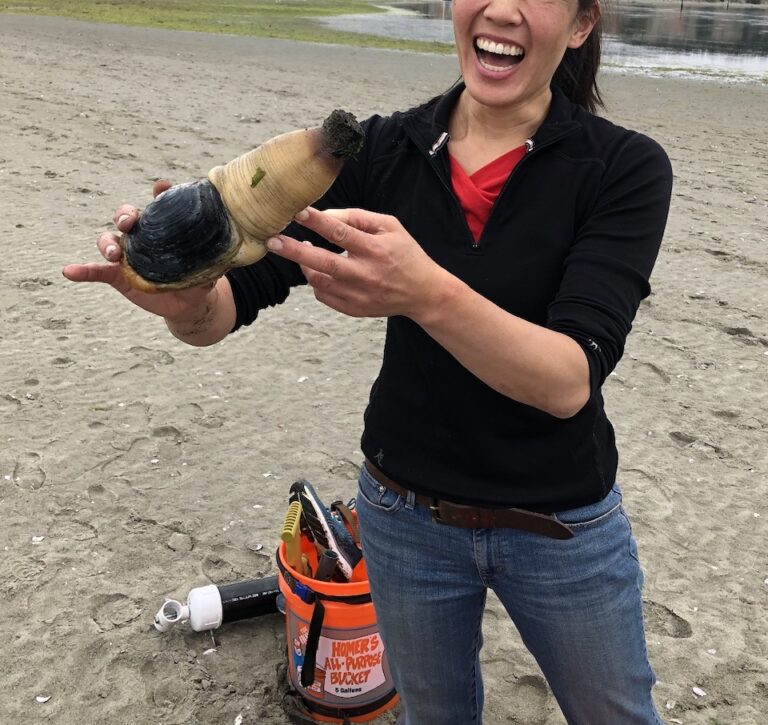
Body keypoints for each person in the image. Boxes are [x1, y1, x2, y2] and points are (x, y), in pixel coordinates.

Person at [63, 0, 673, 722]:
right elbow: (231, 299)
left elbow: (569, 378)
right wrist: (182, 300)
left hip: (563, 525)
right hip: (405, 517)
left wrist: (423, 292)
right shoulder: (383, 152)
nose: (502, 8)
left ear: (579, 23)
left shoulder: (624, 168)